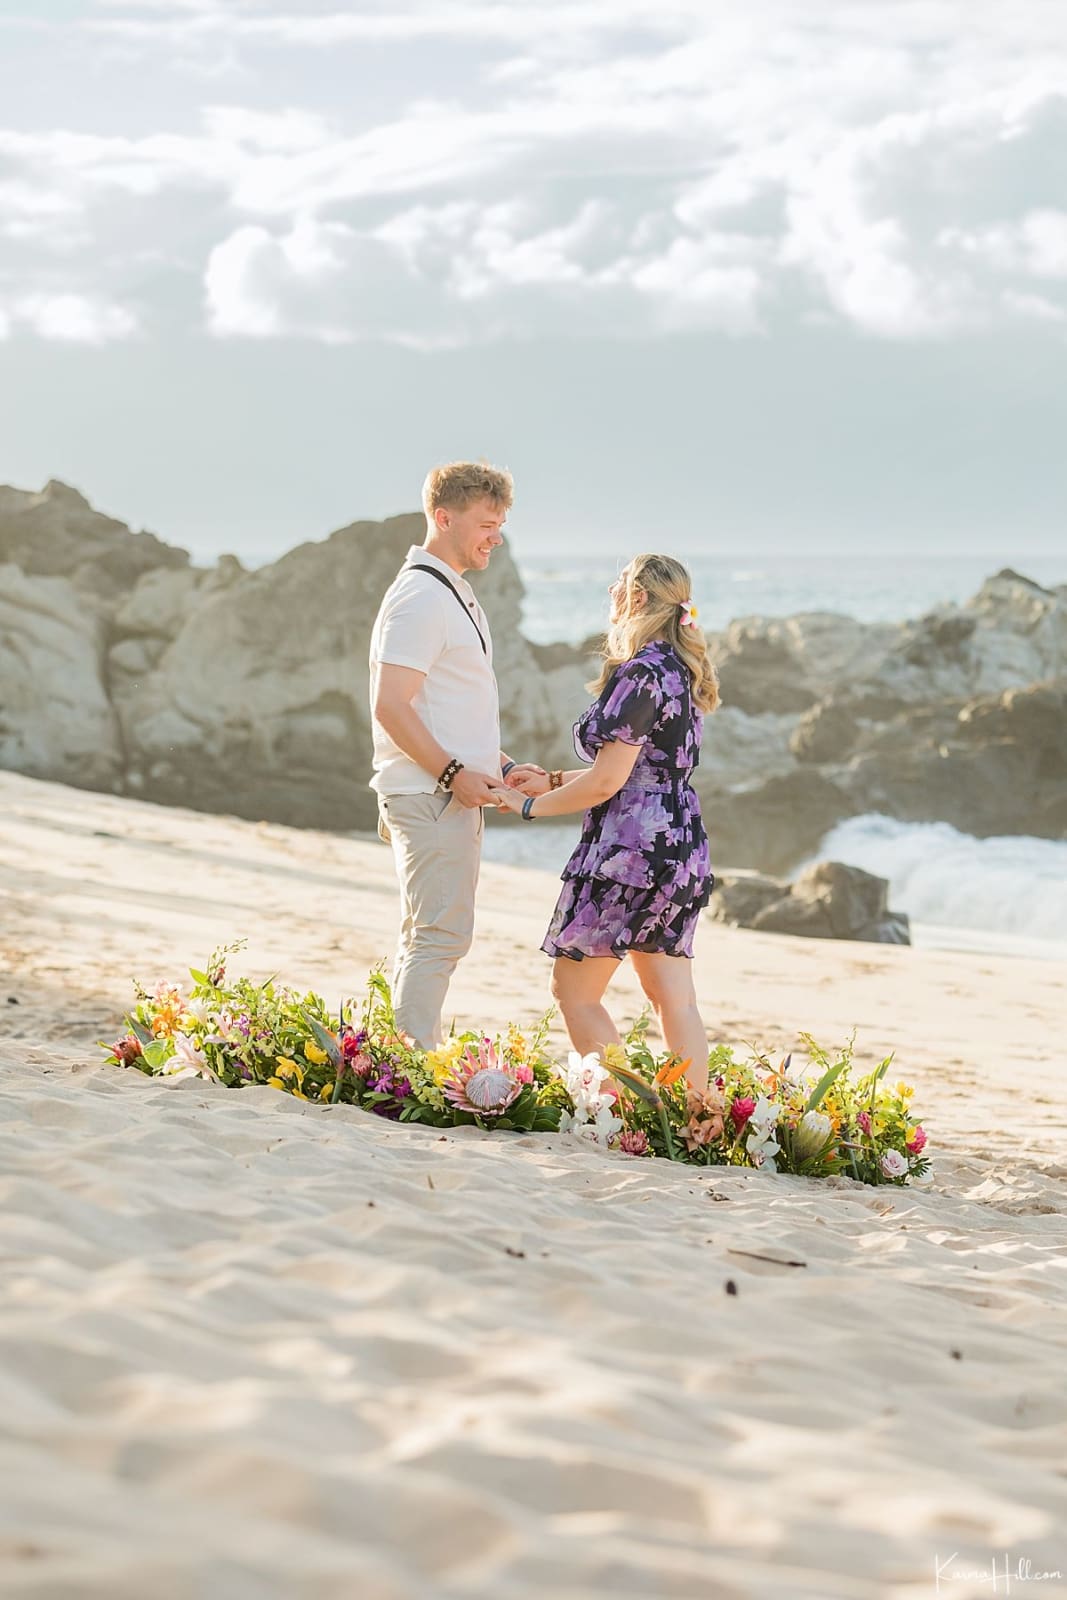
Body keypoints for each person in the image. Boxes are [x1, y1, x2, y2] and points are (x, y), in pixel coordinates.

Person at [491, 553, 717, 1090]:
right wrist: (548, 780)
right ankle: (696, 1118)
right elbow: (640, 769)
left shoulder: (640, 673)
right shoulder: (679, 670)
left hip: (630, 854)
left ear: (637, 598)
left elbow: (606, 783)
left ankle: (623, 1108)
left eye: (618, 584)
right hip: (679, 845)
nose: (611, 592)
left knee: (575, 993)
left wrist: (527, 808)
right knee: (674, 999)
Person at [369, 460, 541, 1048]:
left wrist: (504, 765)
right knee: (440, 936)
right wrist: (452, 773)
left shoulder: (451, 591)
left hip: (445, 789)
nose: (497, 535)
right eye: (486, 523)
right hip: (431, 793)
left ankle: (404, 1059)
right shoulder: (421, 596)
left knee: (428, 933)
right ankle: (409, 1071)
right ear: (443, 518)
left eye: (501, 523)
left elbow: (450, 705)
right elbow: (390, 705)